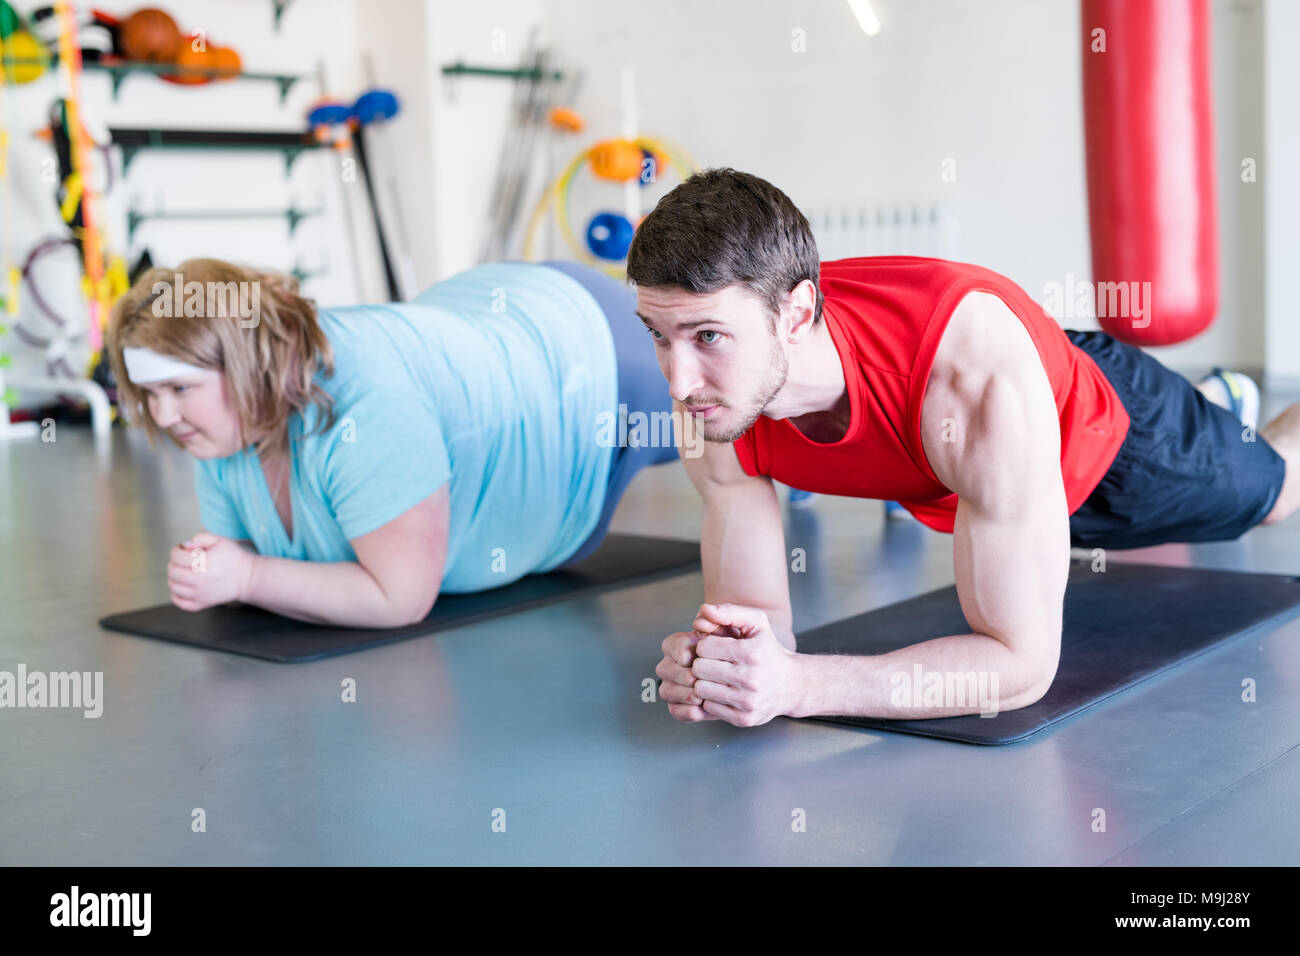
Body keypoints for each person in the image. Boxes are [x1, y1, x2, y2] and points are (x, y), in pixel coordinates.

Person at [630, 168, 1300, 727]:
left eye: (707, 337)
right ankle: (1218, 405)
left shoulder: (970, 382)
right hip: (976, 466)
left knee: (1277, 493)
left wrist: (799, 686)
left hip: (1111, 444)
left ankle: (1224, 415)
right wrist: (722, 669)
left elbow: (1020, 667)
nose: (679, 380)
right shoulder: (711, 404)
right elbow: (759, 629)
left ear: (797, 314)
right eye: (660, 336)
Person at [106, 258, 681, 629]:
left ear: (246, 365)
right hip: (480, 316)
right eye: (149, 392)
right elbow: (239, 561)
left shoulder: (368, 404)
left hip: (583, 351)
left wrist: (247, 578)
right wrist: (224, 574)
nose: (163, 414)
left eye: (180, 388)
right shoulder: (222, 425)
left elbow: (399, 597)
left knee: (738, 421)